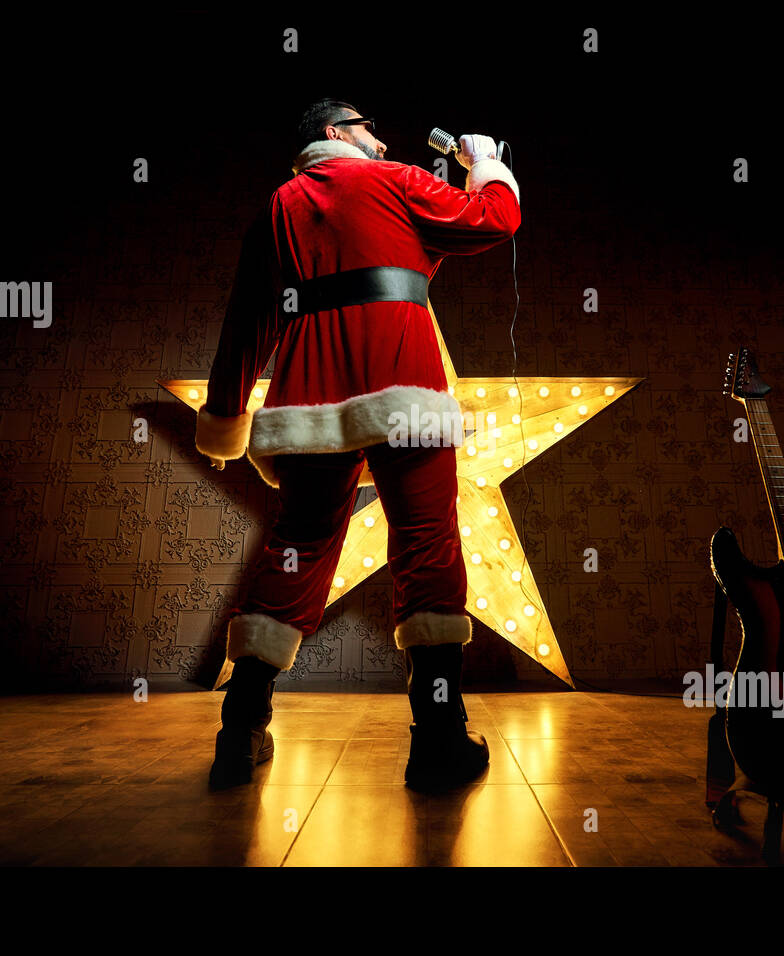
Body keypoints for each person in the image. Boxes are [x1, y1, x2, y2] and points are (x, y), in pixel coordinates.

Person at [195, 98, 521, 791]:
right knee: (428, 544)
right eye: (369, 128)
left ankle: (239, 730)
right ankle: (437, 741)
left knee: (299, 545)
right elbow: (493, 219)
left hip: (308, 397)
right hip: (404, 385)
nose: (381, 141)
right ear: (336, 133)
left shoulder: (277, 206)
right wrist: (486, 163)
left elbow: (244, 325)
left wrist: (225, 416)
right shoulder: (394, 179)